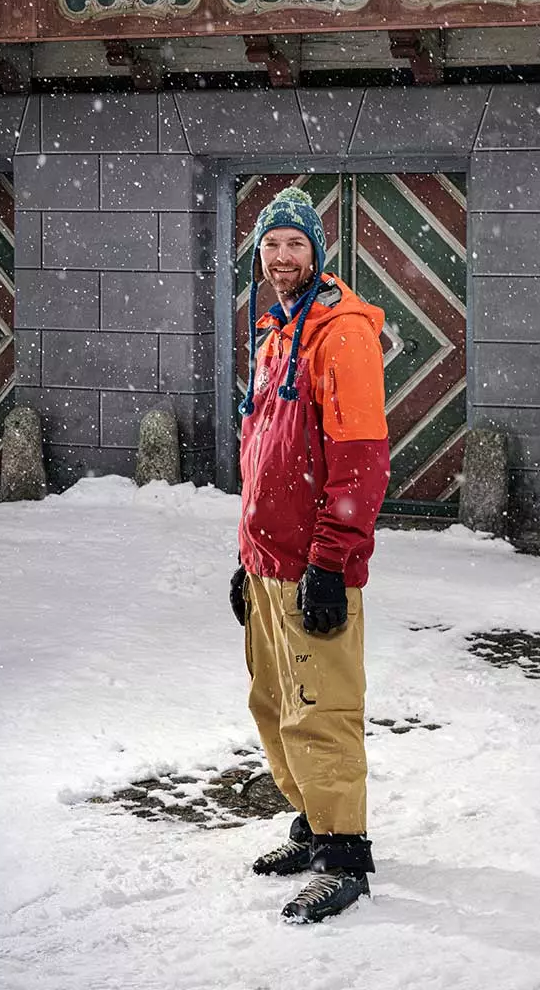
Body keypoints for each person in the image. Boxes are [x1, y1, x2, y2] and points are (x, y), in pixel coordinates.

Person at [230, 187, 389, 925]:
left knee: (322, 710)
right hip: (269, 562)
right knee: (275, 704)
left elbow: (359, 462)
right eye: (271, 245)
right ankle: (313, 822)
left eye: (294, 244)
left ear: (316, 253)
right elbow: (265, 456)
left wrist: (332, 561)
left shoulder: (341, 334)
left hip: (311, 564)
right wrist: (248, 556)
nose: (282, 257)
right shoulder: (273, 333)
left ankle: (344, 851)